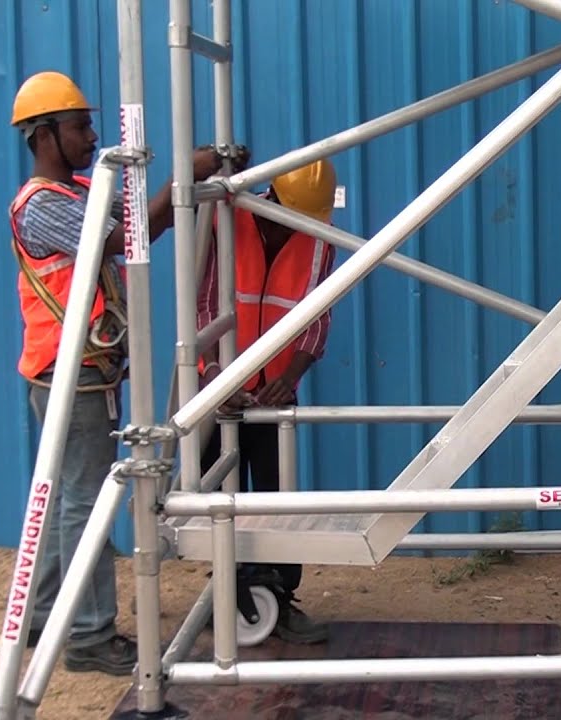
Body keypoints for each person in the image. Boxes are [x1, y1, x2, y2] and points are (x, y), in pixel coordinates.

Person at [6, 70, 222, 674]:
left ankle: (46, 615)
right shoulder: (42, 206)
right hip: (69, 373)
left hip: (76, 370)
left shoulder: (77, 190)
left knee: (65, 497)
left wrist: (183, 187)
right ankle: (89, 634)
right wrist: (180, 180)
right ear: (43, 135)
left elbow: (143, 224)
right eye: (79, 127)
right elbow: (125, 237)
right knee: (83, 501)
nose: (90, 136)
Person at [195, 158, 338, 645]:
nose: (301, 228)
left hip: (273, 395)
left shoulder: (318, 239)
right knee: (218, 496)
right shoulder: (227, 222)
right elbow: (204, 303)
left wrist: (291, 377)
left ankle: (279, 593)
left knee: (278, 496)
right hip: (220, 390)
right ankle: (227, 593)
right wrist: (214, 375)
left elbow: (318, 316)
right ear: (273, 200)